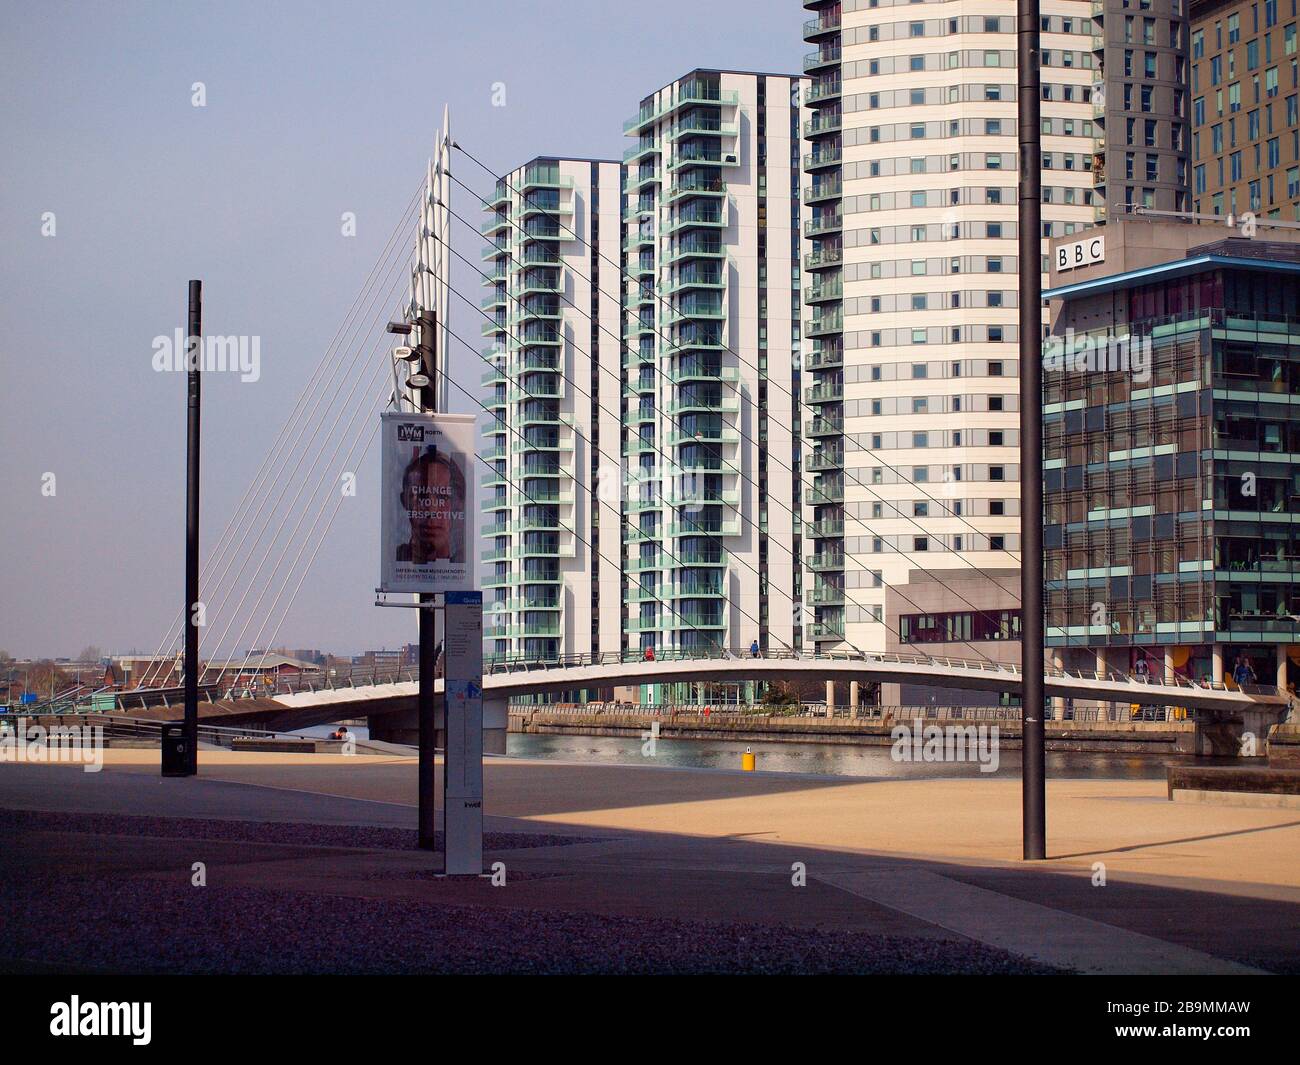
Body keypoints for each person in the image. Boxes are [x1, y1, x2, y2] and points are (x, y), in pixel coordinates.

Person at [396, 445, 467, 564]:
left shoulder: (466, 567)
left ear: (459, 504)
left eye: (443, 496)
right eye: (422, 496)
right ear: (405, 501)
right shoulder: (392, 562)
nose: (431, 510)